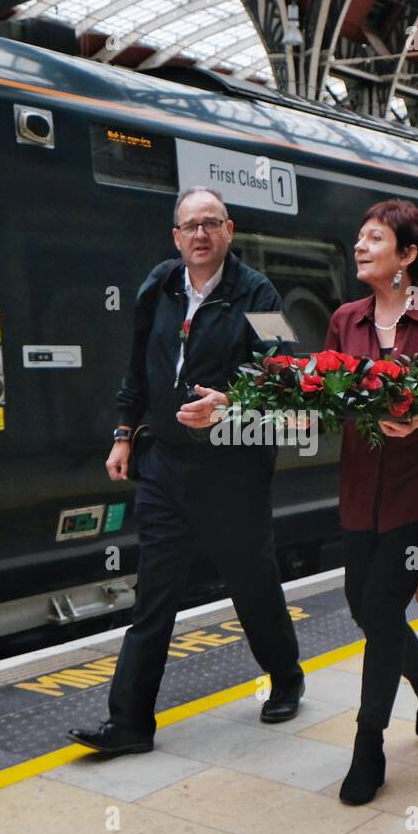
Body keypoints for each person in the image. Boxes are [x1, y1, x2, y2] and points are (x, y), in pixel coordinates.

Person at [68, 187, 306, 755]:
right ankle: (129, 724)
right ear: (176, 238)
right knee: (154, 594)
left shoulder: (259, 294)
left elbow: (289, 376)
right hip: (166, 466)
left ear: (229, 231)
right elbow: (137, 370)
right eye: (189, 226)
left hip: (233, 468)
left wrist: (229, 403)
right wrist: (125, 433)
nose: (200, 234)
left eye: (211, 223)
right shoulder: (159, 287)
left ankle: (286, 676)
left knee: (251, 583)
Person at [323, 199, 418, 804]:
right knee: (364, 607)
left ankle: (369, 747)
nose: (360, 247)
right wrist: (238, 406)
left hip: (417, 494)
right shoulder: (345, 319)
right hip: (359, 493)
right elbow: (324, 391)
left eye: (375, 238)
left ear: (407, 255)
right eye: (358, 237)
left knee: (381, 612)